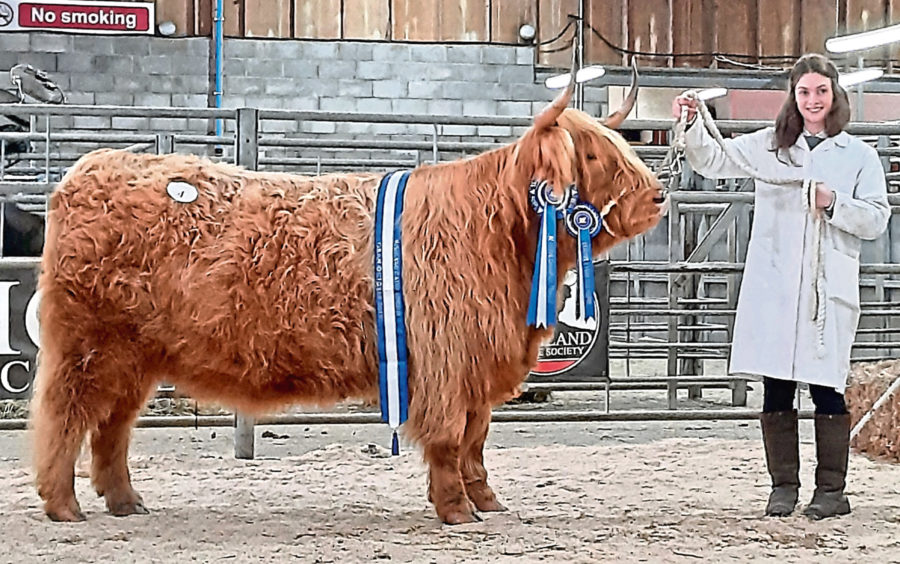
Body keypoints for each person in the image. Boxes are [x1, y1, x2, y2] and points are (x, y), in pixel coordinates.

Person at [671, 54, 890, 519]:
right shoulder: (770, 146)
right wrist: (692, 123)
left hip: (825, 287)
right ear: (794, 96)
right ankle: (783, 487)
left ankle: (831, 491)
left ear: (835, 95)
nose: (813, 100)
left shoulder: (858, 155)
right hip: (775, 284)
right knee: (777, 384)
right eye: (804, 92)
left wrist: (834, 204)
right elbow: (714, 160)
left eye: (821, 91)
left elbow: (876, 219)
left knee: (827, 388)